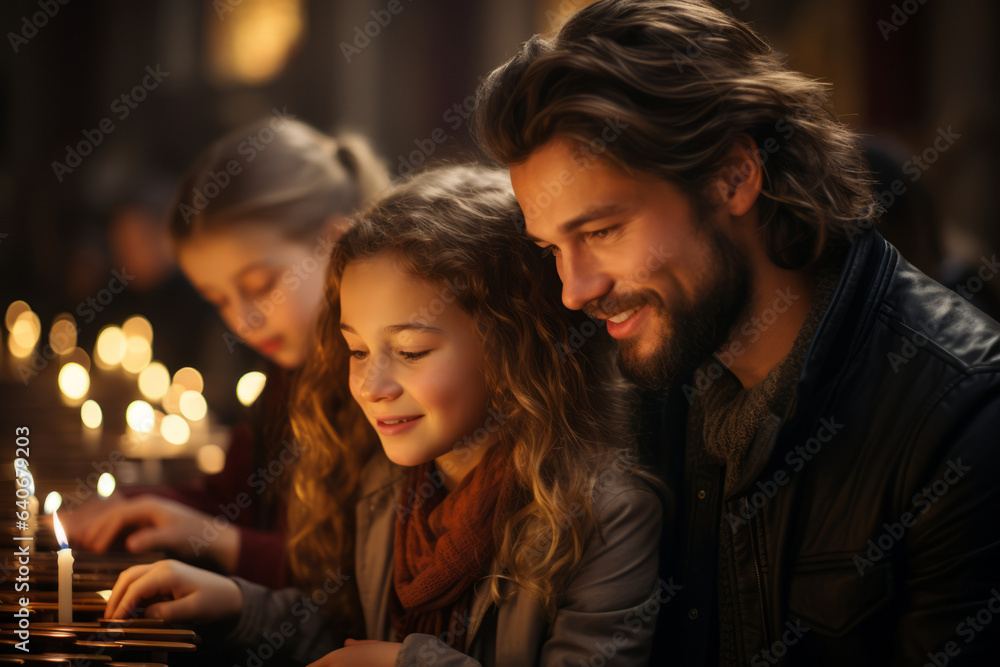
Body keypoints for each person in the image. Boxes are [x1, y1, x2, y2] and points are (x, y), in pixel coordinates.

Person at [472, 0, 1000, 664]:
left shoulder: (964, 417)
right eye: (552, 248)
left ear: (734, 175)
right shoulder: (639, 379)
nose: (575, 290)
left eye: (601, 231)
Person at [103, 165, 663, 666]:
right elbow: (350, 639)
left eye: (412, 352)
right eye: (357, 350)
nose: (371, 387)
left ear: (512, 348)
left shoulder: (605, 519)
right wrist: (238, 604)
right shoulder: (388, 485)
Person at [66, 117, 390, 588]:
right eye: (218, 300)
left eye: (260, 286)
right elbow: (232, 496)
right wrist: (135, 505)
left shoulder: (381, 384)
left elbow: (351, 584)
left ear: (334, 244)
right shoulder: (287, 373)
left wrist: (218, 541)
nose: (243, 321)